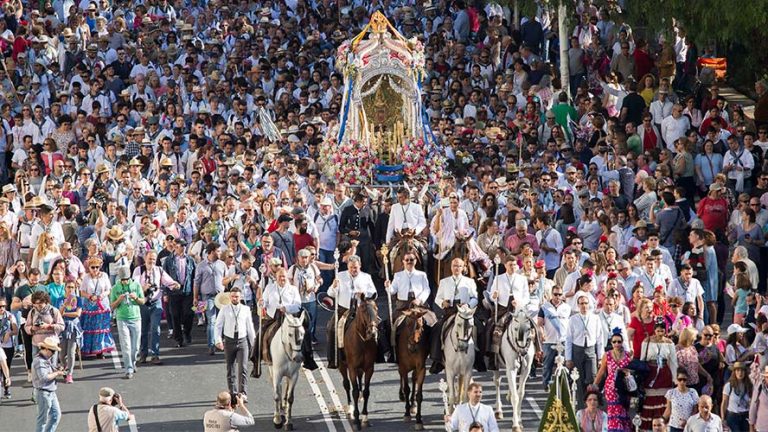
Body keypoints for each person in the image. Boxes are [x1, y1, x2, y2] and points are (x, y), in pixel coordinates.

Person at [326, 256, 377, 369]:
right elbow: (330, 293)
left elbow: (374, 293)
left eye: (355, 267)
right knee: (331, 328)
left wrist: (364, 294)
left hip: (362, 309)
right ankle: (334, 358)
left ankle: (379, 354)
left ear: (360, 266)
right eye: (351, 268)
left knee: (377, 325)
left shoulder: (366, 277)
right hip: (344, 309)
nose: (353, 270)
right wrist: (334, 286)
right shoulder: (340, 276)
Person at [132, 249, 179, 365]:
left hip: (155, 302)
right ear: (145, 258)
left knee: (155, 329)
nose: (152, 261)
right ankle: (143, 354)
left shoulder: (159, 270)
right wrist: (144, 287)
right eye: (150, 259)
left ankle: (155, 354)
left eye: (154, 259)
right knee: (143, 330)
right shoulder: (139, 270)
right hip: (142, 303)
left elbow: (168, 281)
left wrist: (175, 284)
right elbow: (134, 287)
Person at [432, 258, 478, 372]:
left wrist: (468, 305)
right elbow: (438, 298)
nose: (457, 268)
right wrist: (443, 303)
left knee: (479, 328)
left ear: (463, 268)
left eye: (459, 266)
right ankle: (437, 359)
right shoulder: (444, 281)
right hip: (450, 311)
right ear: (451, 267)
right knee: (437, 328)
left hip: (465, 311)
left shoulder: (469, 281)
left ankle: (478, 358)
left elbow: (475, 298)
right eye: (454, 266)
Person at [214, 288, 255, 398]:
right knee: (230, 368)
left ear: (240, 297)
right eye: (232, 296)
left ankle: (243, 393)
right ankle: (233, 393)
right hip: (229, 340)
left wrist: (254, 344)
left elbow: (250, 328)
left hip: (242, 340)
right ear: (229, 297)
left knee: (243, 368)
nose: (234, 298)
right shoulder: (225, 309)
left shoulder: (246, 309)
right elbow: (218, 326)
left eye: (236, 296)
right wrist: (218, 340)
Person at [640, 319, 678, 431]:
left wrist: (675, 379)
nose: (660, 333)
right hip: (650, 373)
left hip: (664, 373)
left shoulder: (669, 343)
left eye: (662, 331)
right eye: (658, 331)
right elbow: (642, 359)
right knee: (650, 399)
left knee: (664, 399)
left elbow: (673, 361)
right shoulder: (646, 341)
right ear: (654, 330)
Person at [592, 328, 632, 431]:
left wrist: (626, 371)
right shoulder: (607, 355)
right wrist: (594, 384)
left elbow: (632, 370)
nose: (617, 344)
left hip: (624, 386)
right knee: (614, 409)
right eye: (614, 342)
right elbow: (601, 371)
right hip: (611, 386)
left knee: (623, 408)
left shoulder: (628, 355)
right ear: (611, 342)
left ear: (622, 342)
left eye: (619, 341)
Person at [109, 267, 145, 379]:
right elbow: (112, 306)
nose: (125, 281)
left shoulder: (136, 285)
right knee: (126, 346)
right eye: (123, 279)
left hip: (136, 318)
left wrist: (136, 298)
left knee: (136, 347)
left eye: (127, 279)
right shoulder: (115, 288)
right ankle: (128, 368)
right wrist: (119, 299)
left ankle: (133, 362)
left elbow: (142, 301)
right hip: (122, 318)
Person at [194, 243, 228, 355]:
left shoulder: (222, 264)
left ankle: (220, 341)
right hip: (207, 296)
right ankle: (211, 344)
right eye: (218, 251)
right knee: (212, 320)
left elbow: (226, 279)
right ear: (211, 252)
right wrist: (195, 297)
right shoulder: (201, 265)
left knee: (221, 320)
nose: (220, 252)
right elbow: (197, 282)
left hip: (221, 296)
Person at [162, 238, 196, 347]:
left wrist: (196, 293)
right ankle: (178, 338)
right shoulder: (169, 260)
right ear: (176, 247)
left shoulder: (190, 260)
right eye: (182, 246)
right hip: (174, 292)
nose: (184, 248)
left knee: (188, 313)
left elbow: (195, 276)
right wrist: (165, 293)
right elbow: (164, 276)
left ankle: (187, 332)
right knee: (175, 315)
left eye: (185, 246)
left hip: (187, 290)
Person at [79, 257, 116, 358]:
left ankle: (100, 350)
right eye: (93, 267)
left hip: (102, 304)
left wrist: (101, 296)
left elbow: (109, 289)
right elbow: (82, 291)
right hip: (89, 305)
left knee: (101, 327)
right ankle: (87, 349)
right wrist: (90, 296)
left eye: (97, 267)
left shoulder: (104, 276)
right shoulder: (86, 277)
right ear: (89, 268)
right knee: (89, 327)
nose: (95, 269)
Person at [538, 285, 572, 388]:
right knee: (547, 364)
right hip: (549, 340)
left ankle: (565, 384)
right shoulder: (544, 307)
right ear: (551, 294)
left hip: (563, 340)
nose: (557, 297)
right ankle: (546, 383)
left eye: (560, 294)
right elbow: (539, 323)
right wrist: (541, 332)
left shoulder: (567, 308)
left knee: (565, 364)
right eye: (555, 294)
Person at [32, 336, 65, 432]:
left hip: (50, 391)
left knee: (56, 415)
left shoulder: (45, 359)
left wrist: (57, 370)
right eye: (53, 351)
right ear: (46, 349)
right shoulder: (39, 361)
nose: (53, 354)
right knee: (42, 420)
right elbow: (44, 378)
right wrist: (57, 373)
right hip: (43, 393)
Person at [58, 278, 82, 384]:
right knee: (62, 353)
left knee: (71, 352)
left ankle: (69, 374)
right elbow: (58, 313)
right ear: (65, 288)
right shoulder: (60, 299)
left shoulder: (78, 299)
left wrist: (65, 314)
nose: (70, 289)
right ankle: (64, 365)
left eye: (72, 287)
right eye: (68, 287)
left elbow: (77, 314)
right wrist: (64, 305)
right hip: (63, 327)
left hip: (74, 327)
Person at [721, 362, 751, 432]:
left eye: (742, 370)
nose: (740, 373)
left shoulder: (749, 385)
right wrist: (723, 418)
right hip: (732, 416)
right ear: (734, 372)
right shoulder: (728, 385)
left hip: (745, 415)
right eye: (738, 370)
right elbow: (724, 402)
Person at [749, 365, 768, 432]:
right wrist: (751, 425)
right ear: (765, 377)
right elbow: (753, 407)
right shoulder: (759, 388)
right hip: (762, 426)